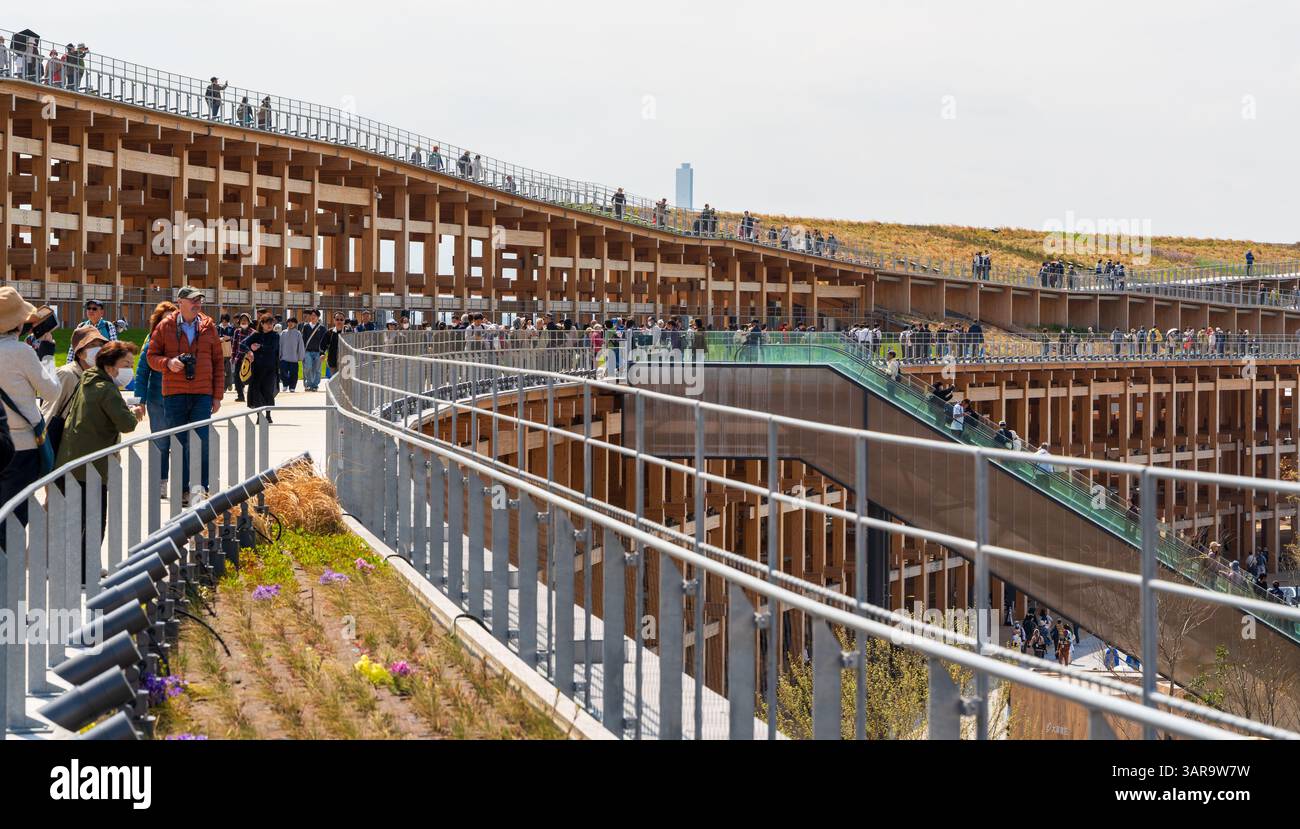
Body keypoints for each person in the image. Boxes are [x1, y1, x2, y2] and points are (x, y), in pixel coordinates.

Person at [54, 341, 144, 579]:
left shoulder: (88, 379)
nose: (129, 370)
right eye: (126, 364)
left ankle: (76, 567)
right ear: (110, 365)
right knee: (94, 521)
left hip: (71, 461)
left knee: (77, 520)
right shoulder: (107, 389)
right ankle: (85, 572)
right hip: (91, 467)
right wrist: (133, 414)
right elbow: (126, 424)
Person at [145, 286, 224, 502]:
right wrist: (168, 363)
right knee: (179, 441)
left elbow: (219, 362)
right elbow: (151, 357)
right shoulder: (165, 326)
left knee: (201, 441)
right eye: (192, 300)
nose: (197, 304)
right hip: (174, 393)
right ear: (179, 302)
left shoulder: (209, 327)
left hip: (202, 393)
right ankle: (181, 490)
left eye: (199, 300)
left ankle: (200, 487)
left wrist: (217, 396)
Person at [0, 288, 61, 532]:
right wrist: (46, 357)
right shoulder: (22, 352)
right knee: (14, 518)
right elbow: (52, 392)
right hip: (22, 447)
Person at [43, 326, 109, 458]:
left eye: (101, 345)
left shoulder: (100, 376)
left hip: (90, 449)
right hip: (65, 451)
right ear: (79, 353)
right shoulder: (67, 374)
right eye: (92, 345)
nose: (98, 349)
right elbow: (49, 411)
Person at [134, 301, 177, 492]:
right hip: (157, 400)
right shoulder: (151, 340)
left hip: (179, 399)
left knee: (180, 442)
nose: (168, 321)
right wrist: (139, 401)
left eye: (171, 317)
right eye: (163, 318)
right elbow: (142, 371)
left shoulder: (183, 338)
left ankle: (182, 484)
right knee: (160, 443)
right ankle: (161, 482)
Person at [243, 313, 280, 421]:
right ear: (262, 324)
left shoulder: (275, 335)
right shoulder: (256, 335)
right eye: (267, 323)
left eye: (271, 323)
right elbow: (243, 343)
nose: (270, 325)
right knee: (256, 391)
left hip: (270, 368)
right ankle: (259, 416)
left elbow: (272, 348)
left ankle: (268, 415)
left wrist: (259, 347)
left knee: (268, 391)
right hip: (256, 369)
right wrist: (249, 351)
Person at [67, 298, 118, 362]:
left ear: (102, 312)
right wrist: (68, 364)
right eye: (88, 308)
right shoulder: (81, 326)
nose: (91, 311)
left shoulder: (108, 325)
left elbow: (114, 347)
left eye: (94, 309)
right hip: (84, 365)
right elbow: (73, 348)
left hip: (102, 364)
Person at [300, 309, 327, 391]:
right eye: (311, 315)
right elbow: (303, 340)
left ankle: (315, 385)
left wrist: (323, 353)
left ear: (318, 317)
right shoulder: (306, 327)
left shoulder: (322, 328)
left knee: (317, 369)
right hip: (307, 351)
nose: (312, 317)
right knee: (307, 367)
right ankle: (309, 384)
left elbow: (324, 342)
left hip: (318, 352)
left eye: (314, 315)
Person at [278, 316, 305, 392]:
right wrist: (279, 355)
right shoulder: (283, 333)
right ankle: (285, 384)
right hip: (284, 357)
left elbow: (300, 346)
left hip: (294, 358)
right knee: (283, 372)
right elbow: (280, 345)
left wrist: (300, 356)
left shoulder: (298, 333)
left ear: (295, 324)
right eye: (289, 322)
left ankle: (292, 387)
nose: (290, 323)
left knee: (294, 374)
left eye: (292, 322)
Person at [325, 312, 346, 380]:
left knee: (345, 381)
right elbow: (322, 345)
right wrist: (322, 354)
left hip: (345, 362)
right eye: (337, 319)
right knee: (335, 380)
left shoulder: (349, 332)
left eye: (341, 319)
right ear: (334, 320)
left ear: (344, 321)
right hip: (332, 361)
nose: (339, 321)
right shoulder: (329, 332)